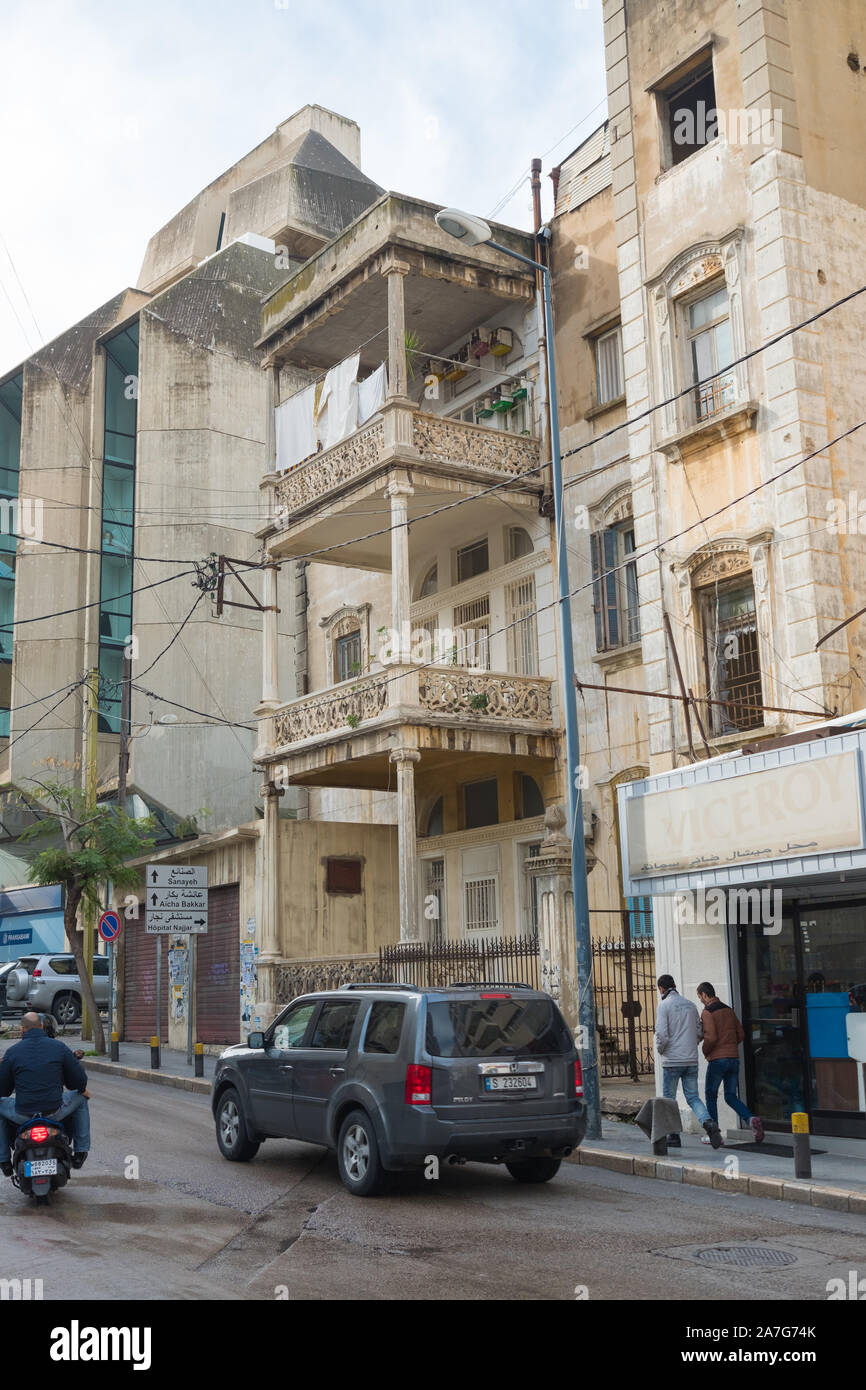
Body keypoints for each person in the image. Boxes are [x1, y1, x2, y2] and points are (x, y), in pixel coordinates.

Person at [0, 1011, 91, 1175]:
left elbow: (3, 1090)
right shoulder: (59, 1047)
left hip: (22, 1114)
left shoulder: (12, 1052)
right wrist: (81, 1090)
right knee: (81, 1099)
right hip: (54, 1112)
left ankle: (4, 1160)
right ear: (42, 1026)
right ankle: (80, 1152)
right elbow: (79, 1080)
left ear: (22, 1029)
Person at [655, 974, 722, 1149]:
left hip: (672, 1061)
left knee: (669, 1099)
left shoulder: (663, 1006)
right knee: (693, 1097)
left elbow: (661, 1035)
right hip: (691, 1059)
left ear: (661, 988)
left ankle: (674, 1136)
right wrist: (692, 1044)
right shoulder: (691, 1005)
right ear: (674, 986)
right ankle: (709, 1123)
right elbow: (700, 1032)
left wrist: (661, 1050)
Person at [697, 983, 764, 1144]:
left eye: (700, 996)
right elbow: (740, 1034)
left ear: (705, 995)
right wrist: (731, 1045)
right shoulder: (728, 1009)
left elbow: (711, 1037)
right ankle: (750, 1118)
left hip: (717, 1060)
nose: (700, 1000)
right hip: (733, 1058)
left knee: (711, 1096)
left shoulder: (707, 1012)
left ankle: (715, 1134)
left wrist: (706, 1051)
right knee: (730, 1096)